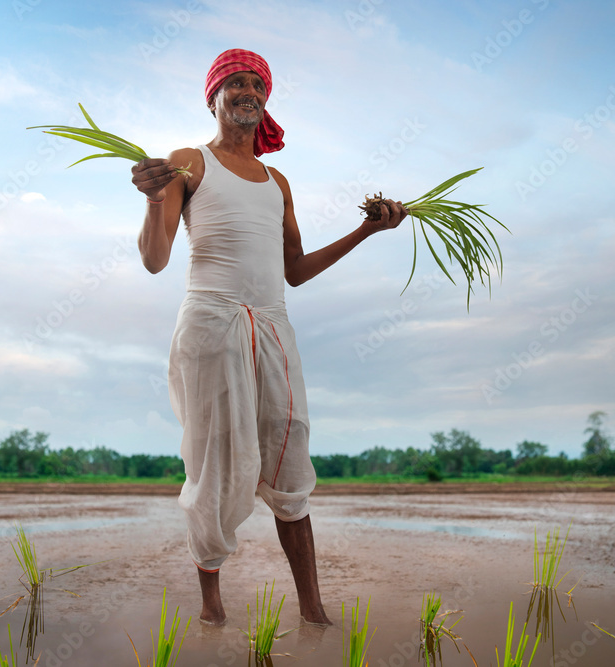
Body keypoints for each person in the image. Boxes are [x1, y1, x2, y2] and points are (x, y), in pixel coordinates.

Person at [132, 48, 407, 626]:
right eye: (234, 82)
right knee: (214, 465)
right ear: (213, 96)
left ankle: (314, 613)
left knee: (291, 457)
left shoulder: (277, 180)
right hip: (211, 325)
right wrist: (155, 198)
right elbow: (156, 261)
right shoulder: (189, 162)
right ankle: (212, 609)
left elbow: (296, 269)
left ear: (267, 98)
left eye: (257, 82)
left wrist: (367, 228)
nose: (247, 90)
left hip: (274, 329)